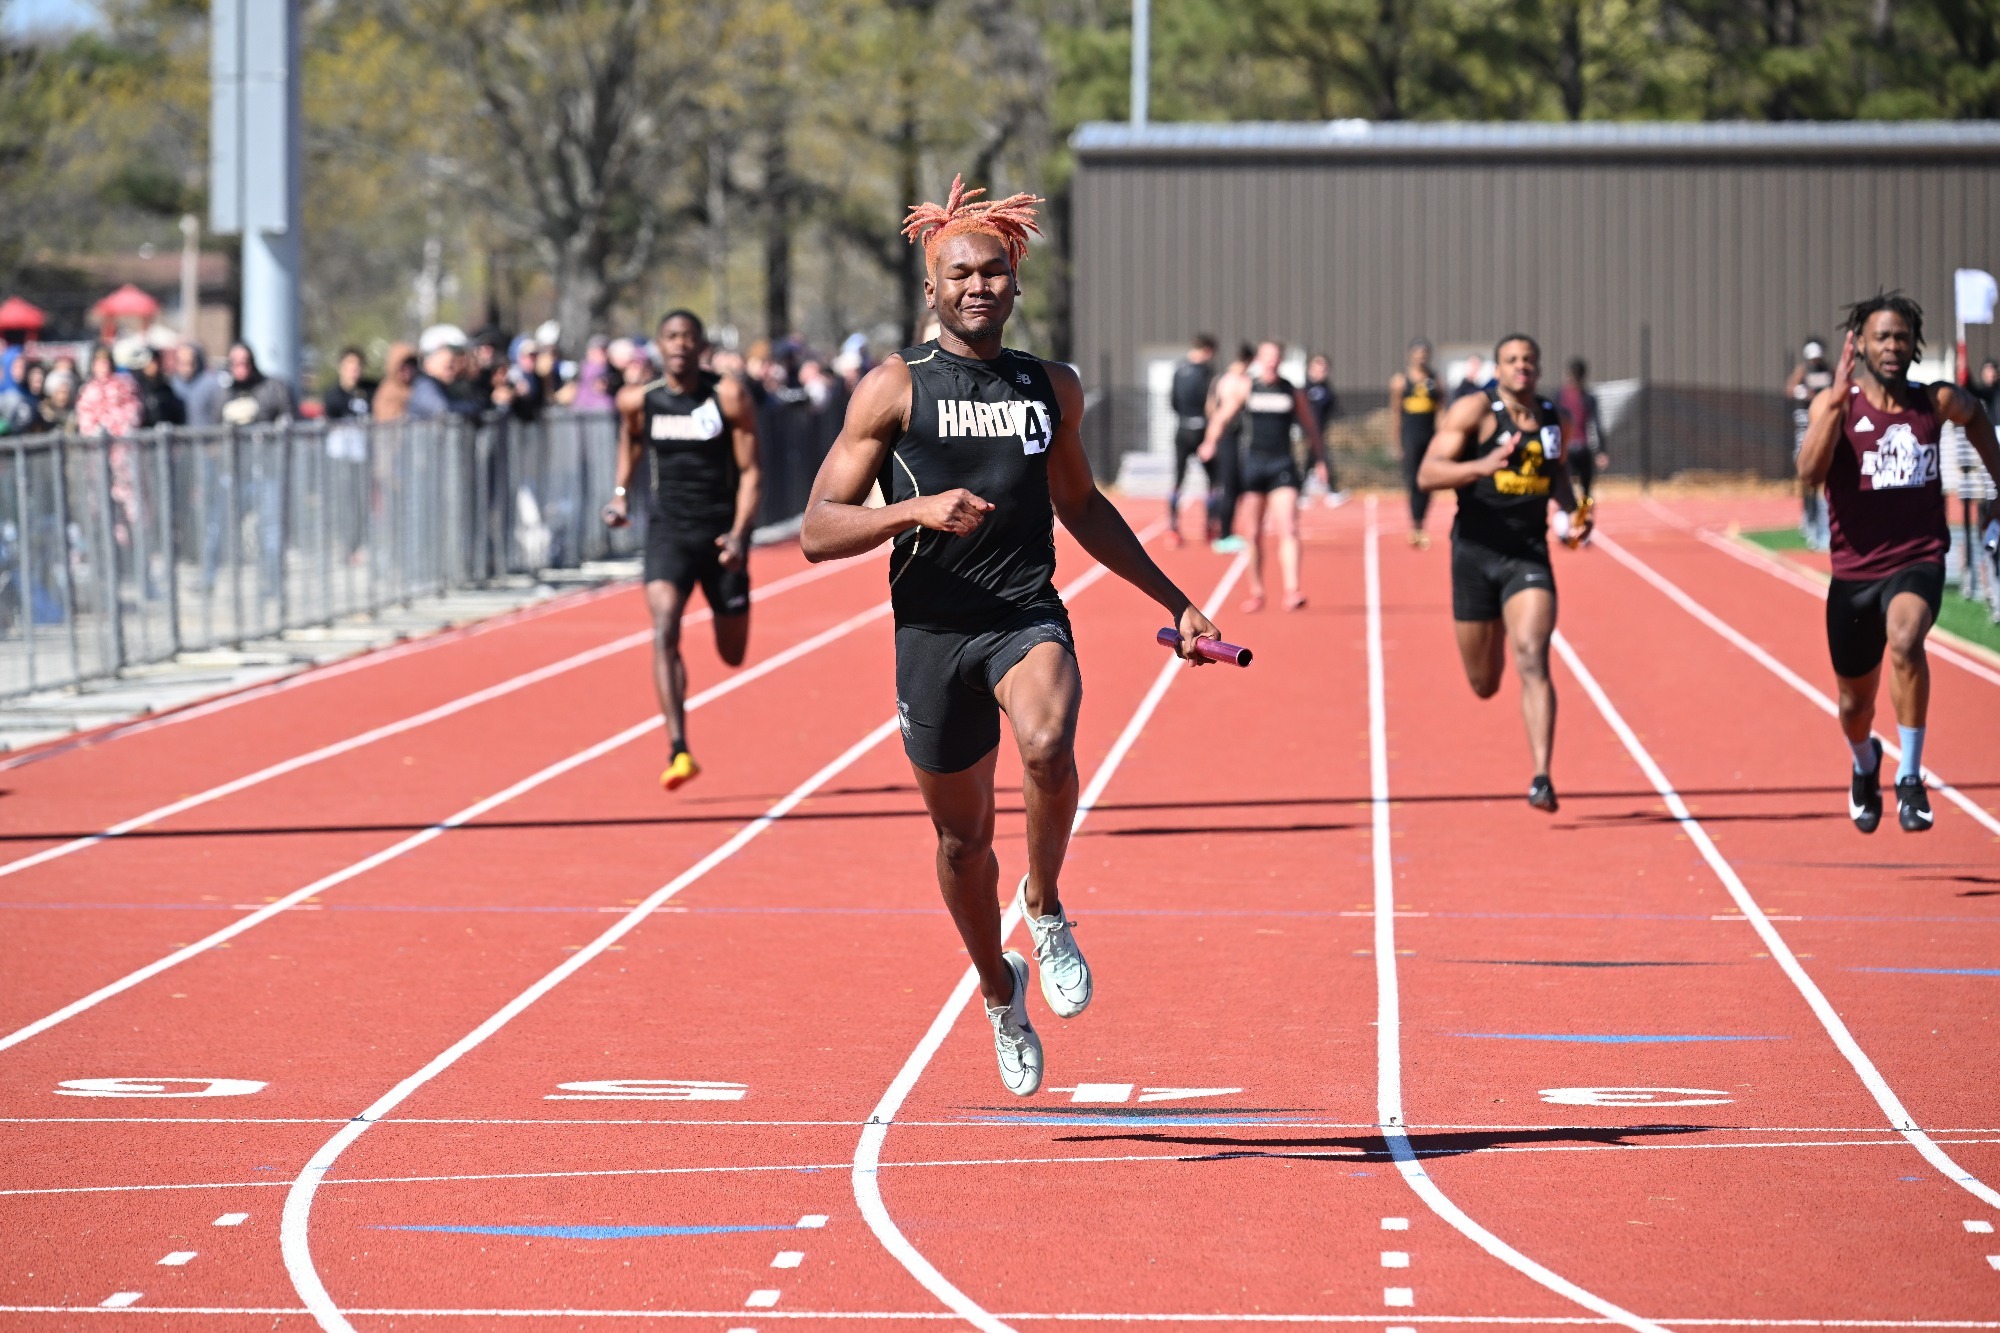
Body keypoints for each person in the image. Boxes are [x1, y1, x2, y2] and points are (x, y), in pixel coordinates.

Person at [798, 176, 1221, 1097]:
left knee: (1046, 742)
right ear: (932, 288)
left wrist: (1178, 598)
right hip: (932, 633)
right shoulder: (894, 388)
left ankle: (1049, 905)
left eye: (994, 270)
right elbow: (817, 529)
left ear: (1016, 282)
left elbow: (1082, 505)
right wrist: (912, 511)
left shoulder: (1049, 387)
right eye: (960, 274)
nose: (978, 286)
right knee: (960, 844)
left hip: (1025, 614)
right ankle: (998, 986)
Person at [1798, 293, 2000, 834]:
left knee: (1907, 639)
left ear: (1915, 346)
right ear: (1858, 344)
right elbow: (1809, 473)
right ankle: (1867, 763)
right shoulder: (1836, 405)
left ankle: (1910, 778)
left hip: (1918, 558)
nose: (1892, 346)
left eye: (1902, 337)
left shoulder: (1933, 403)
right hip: (1854, 574)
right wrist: (1837, 402)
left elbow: (1977, 414)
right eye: (1881, 337)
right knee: (1852, 705)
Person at [1418, 333, 1590, 813]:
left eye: (1529, 360)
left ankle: (1542, 777)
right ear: (1498, 368)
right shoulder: (1474, 411)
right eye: (1512, 360)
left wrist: (1573, 512)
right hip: (1474, 554)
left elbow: (1556, 474)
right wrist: (1483, 464)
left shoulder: (1557, 418)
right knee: (1485, 683)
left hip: (1527, 554)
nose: (1522, 367)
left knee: (1533, 655)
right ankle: (1490, 645)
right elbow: (1428, 474)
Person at [602, 310, 761, 791]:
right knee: (663, 625)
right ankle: (678, 747)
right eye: (671, 337)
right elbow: (630, 442)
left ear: (700, 346)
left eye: (688, 337)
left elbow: (751, 471)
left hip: (720, 538)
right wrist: (621, 494)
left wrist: (739, 534)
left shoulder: (727, 395)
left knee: (732, 654)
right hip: (668, 531)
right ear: (659, 345)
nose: (679, 345)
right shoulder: (638, 401)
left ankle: (729, 596)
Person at [1203, 340, 1312, 611]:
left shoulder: (1291, 391)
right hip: (1253, 466)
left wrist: (1320, 459)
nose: (1272, 362)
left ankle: (1292, 589)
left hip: (1282, 465)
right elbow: (1222, 416)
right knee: (1253, 533)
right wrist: (1210, 441)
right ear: (1260, 360)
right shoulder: (1247, 386)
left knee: (1289, 527)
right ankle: (1257, 591)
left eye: (1276, 357)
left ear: (1281, 360)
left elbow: (1311, 426)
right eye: (1267, 357)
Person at [1165, 334, 1216, 546]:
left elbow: (1173, 401)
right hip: (1202, 429)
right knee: (1214, 481)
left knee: (1178, 480)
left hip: (1182, 428)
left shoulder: (1178, 370)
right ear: (1207, 350)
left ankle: (1173, 529)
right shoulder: (1208, 373)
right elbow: (1213, 403)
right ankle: (1211, 527)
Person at [1390, 339, 1441, 548]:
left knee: (1427, 482)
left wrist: (1442, 438)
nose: (1421, 358)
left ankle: (1423, 523)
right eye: (1417, 354)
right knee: (1413, 482)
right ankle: (1415, 525)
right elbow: (1395, 414)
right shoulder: (1401, 381)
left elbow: (1441, 411)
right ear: (1410, 356)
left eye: (1424, 354)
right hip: (1410, 437)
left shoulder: (1435, 381)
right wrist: (1396, 442)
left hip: (1430, 437)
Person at [1202, 344, 1253, 553]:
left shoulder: (1219, 379)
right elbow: (1223, 414)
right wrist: (1210, 441)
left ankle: (1217, 525)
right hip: (1229, 438)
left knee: (1227, 486)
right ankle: (1224, 534)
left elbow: (1210, 408)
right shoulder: (1239, 383)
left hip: (1223, 437)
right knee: (1230, 488)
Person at [1788, 338, 1836, 551]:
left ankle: (1824, 530)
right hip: (1805, 431)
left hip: (1825, 430)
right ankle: (1809, 520)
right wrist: (1805, 393)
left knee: (1825, 482)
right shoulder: (1802, 372)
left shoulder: (1830, 371)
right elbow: (1790, 390)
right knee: (1807, 479)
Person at [1557, 357, 1605, 504]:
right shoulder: (1562, 396)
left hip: (1577, 448)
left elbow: (1596, 424)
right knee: (1578, 489)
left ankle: (1581, 517)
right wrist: (1601, 451)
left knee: (1581, 489)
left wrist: (1601, 451)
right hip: (1569, 449)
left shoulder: (1586, 398)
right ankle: (1576, 516)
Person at [1302, 353, 1346, 507]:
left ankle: (1329, 491)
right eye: (1318, 367)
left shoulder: (1327, 389)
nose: (1321, 371)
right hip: (1306, 434)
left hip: (1320, 433)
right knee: (1313, 461)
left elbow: (1333, 409)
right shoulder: (1303, 388)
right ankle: (1329, 491)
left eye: (1324, 368)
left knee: (1315, 461)